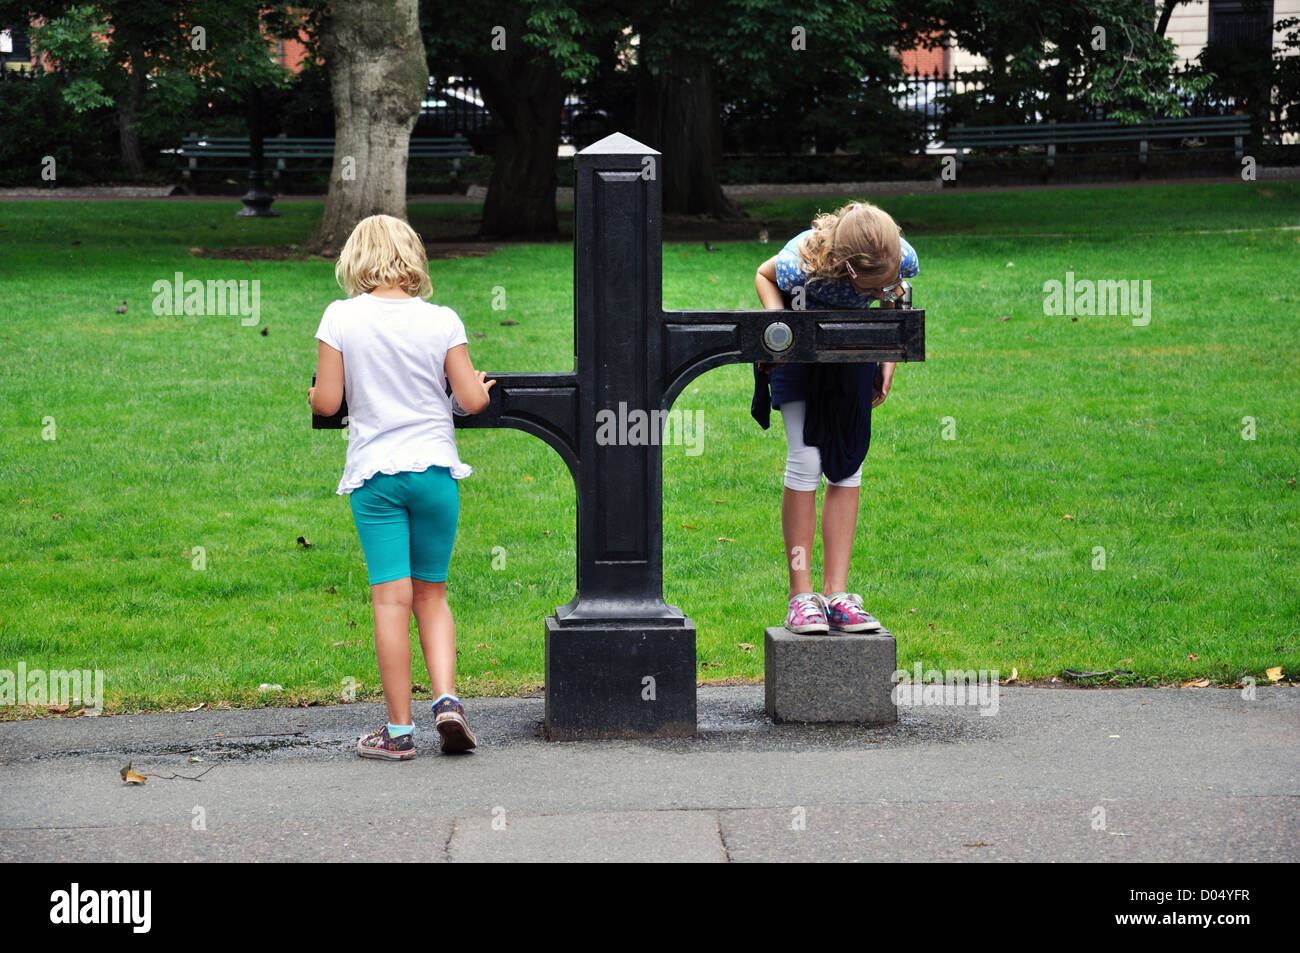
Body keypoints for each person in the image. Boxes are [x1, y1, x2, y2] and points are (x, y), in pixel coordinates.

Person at [308, 214, 495, 760]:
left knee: (392, 600)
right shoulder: (442, 320)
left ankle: (398, 731)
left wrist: (315, 394)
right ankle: (447, 702)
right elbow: (473, 400)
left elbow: (328, 401)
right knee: (432, 594)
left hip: (377, 477)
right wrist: (473, 387)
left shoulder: (340, 317)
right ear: (413, 258)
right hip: (436, 473)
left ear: (355, 260)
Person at [752, 201, 919, 635]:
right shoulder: (798, 262)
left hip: (851, 355)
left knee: (848, 464)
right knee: (806, 461)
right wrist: (779, 326)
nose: (877, 291)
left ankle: (837, 594)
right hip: (799, 357)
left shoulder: (899, 256)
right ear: (847, 270)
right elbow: (763, 274)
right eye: (870, 286)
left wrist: (887, 355)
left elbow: (895, 300)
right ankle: (801, 597)